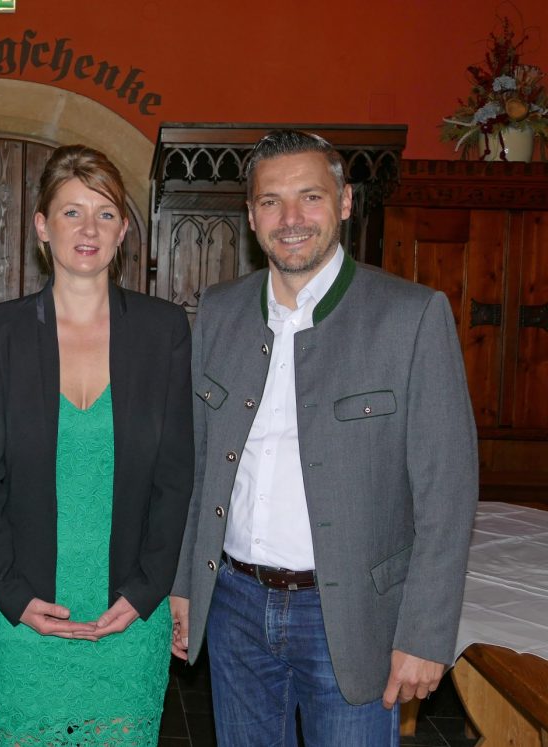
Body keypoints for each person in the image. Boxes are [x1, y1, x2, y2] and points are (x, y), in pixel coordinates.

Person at [170, 129, 479, 746]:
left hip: (351, 618)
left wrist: (424, 634)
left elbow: (447, 495)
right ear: (251, 215)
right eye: (271, 201)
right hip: (233, 604)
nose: (291, 219)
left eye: (310, 197)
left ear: (344, 203)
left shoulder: (411, 316)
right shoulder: (220, 311)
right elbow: (197, 465)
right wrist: (185, 584)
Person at [0, 144, 194, 746]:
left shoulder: (163, 330)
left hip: (128, 614)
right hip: (23, 616)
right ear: (42, 226)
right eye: (72, 212)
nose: (89, 229)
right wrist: (13, 596)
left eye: (105, 213)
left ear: (123, 232)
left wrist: (147, 591)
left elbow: (175, 476)